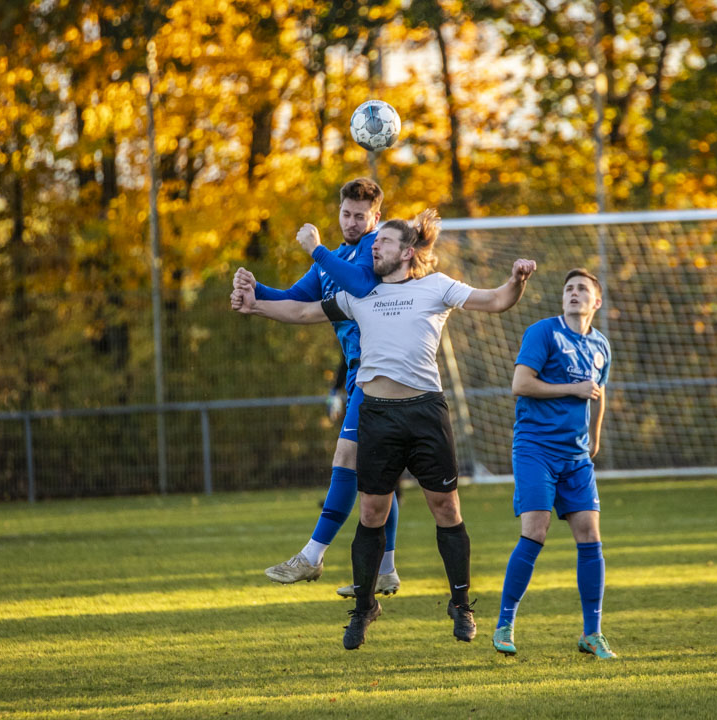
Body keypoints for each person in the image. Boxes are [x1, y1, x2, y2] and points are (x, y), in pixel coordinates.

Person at [232, 209, 537, 649]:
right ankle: (363, 609)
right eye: (373, 244)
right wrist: (255, 304)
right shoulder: (361, 294)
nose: (372, 247)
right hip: (376, 414)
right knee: (371, 513)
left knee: (446, 510)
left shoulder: (435, 287)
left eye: (383, 243)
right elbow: (301, 311)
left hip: (425, 414)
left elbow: (495, 300)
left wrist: (518, 281)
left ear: (407, 252)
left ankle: (461, 604)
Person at [241, 178, 402, 598]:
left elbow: (363, 284)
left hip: (381, 373)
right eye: (346, 214)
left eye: (360, 216)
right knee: (375, 476)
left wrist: (316, 249)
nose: (351, 222)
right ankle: (385, 570)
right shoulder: (329, 261)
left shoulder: (374, 249)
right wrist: (254, 289)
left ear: (376, 217)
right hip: (357, 375)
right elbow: (294, 298)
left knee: (346, 459)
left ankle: (312, 556)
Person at [491, 268, 616, 659]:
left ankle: (591, 634)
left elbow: (598, 391)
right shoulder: (544, 332)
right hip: (535, 448)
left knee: (590, 537)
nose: (574, 294)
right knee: (535, 532)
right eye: (568, 289)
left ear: (596, 302)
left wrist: (594, 437)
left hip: (576, 456)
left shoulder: (601, 346)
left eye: (582, 289)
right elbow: (521, 384)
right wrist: (570, 389)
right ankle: (504, 625)